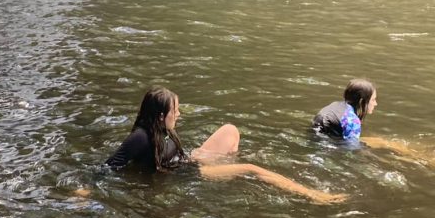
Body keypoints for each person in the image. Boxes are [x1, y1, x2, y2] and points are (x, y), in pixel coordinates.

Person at [106, 87, 347, 203]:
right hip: (187, 175)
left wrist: (192, 155)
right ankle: (312, 194)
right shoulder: (140, 137)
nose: (178, 114)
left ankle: (227, 167)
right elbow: (108, 166)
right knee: (252, 169)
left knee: (230, 130)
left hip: (187, 161)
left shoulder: (161, 128)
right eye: (175, 110)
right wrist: (83, 191)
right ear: (160, 116)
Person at [312, 80, 435, 167]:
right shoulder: (351, 120)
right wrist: (385, 161)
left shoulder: (338, 105)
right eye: (373, 100)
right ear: (363, 102)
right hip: (326, 148)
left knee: (377, 143)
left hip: (317, 137)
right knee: (380, 155)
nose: (376, 104)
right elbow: (352, 151)